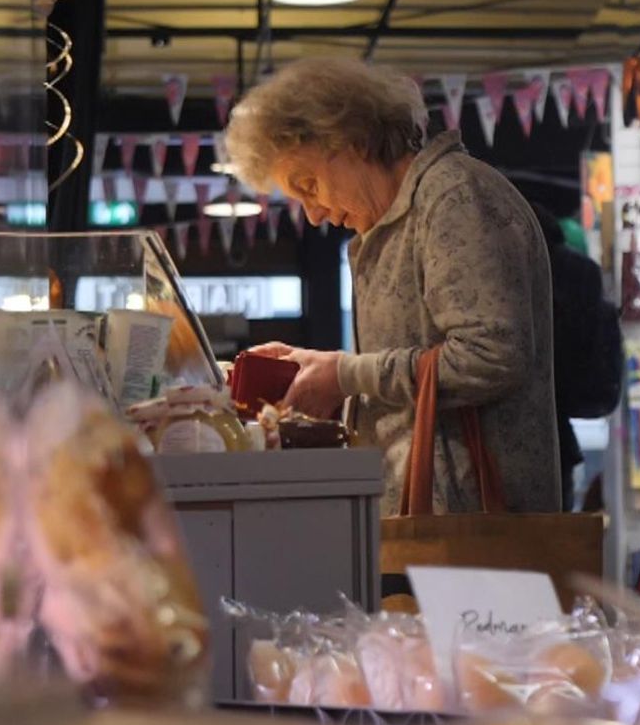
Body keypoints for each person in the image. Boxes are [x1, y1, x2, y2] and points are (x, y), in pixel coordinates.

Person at [227, 58, 559, 514]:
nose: (314, 214)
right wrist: (327, 378)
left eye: (310, 185)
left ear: (350, 140)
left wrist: (346, 374)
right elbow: (409, 382)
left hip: (473, 533)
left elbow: (494, 355)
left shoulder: (454, 199)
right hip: (427, 523)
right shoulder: (389, 228)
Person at [528, 201, 620, 510]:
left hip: (509, 433)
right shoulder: (582, 273)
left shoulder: (504, 270)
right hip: (561, 429)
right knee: (556, 540)